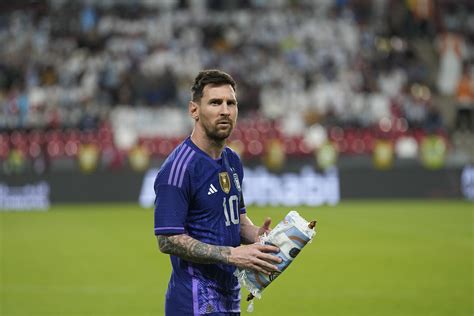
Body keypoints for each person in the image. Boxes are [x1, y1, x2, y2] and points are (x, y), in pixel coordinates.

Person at [153, 69, 282, 315]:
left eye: (230, 103)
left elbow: (236, 220)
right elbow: (167, 239)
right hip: (194, 300)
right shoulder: (179, 168)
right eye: (215, 102)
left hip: (229, 297)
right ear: (194, 110)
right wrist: (232, 255)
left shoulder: (232, 160)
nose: (225, 110)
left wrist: (259, 237)